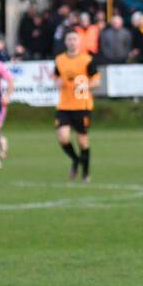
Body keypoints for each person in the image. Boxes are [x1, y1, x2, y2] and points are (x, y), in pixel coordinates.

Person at [53, 30, 100, 181]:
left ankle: (85, 172)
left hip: (82, 106)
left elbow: (96, 80)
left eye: (75, 39)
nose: (72, 42)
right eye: (69, 39)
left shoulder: (87, 60)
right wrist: (57, 82)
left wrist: (86, 86)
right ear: (65, 42)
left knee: (82, 141)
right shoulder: (59, 60)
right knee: (63, 137)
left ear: (79, 42)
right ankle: (76, 160)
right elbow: (56, 76)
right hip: (64, 106)